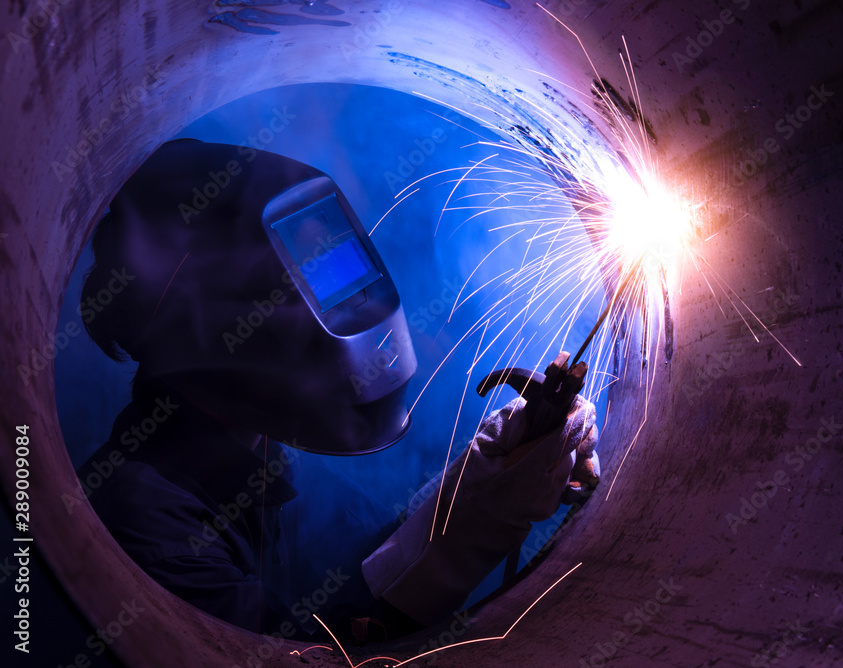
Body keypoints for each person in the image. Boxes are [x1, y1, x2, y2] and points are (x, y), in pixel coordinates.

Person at [76, 139, 599, 641]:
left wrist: (487, 473)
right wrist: (480, 525)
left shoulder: (266, 458)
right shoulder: (141, 524)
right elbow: (305, 656)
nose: (341, 292)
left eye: (330, 256)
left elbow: (365, 568)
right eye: (307, 271)